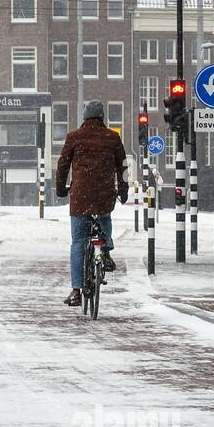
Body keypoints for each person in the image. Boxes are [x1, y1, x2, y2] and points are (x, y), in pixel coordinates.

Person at [54, 100, 127, 307]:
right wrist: (123, 191)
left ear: (85, 117)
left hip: (80, 197)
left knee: (78, 242)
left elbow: (62, 166)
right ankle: (106, 250)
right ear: (102, 117)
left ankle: (76, 290)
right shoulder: (112, 137)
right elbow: (122, 166)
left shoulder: (74, 137)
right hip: (104, 195)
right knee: (104, 217)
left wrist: (61, 189)